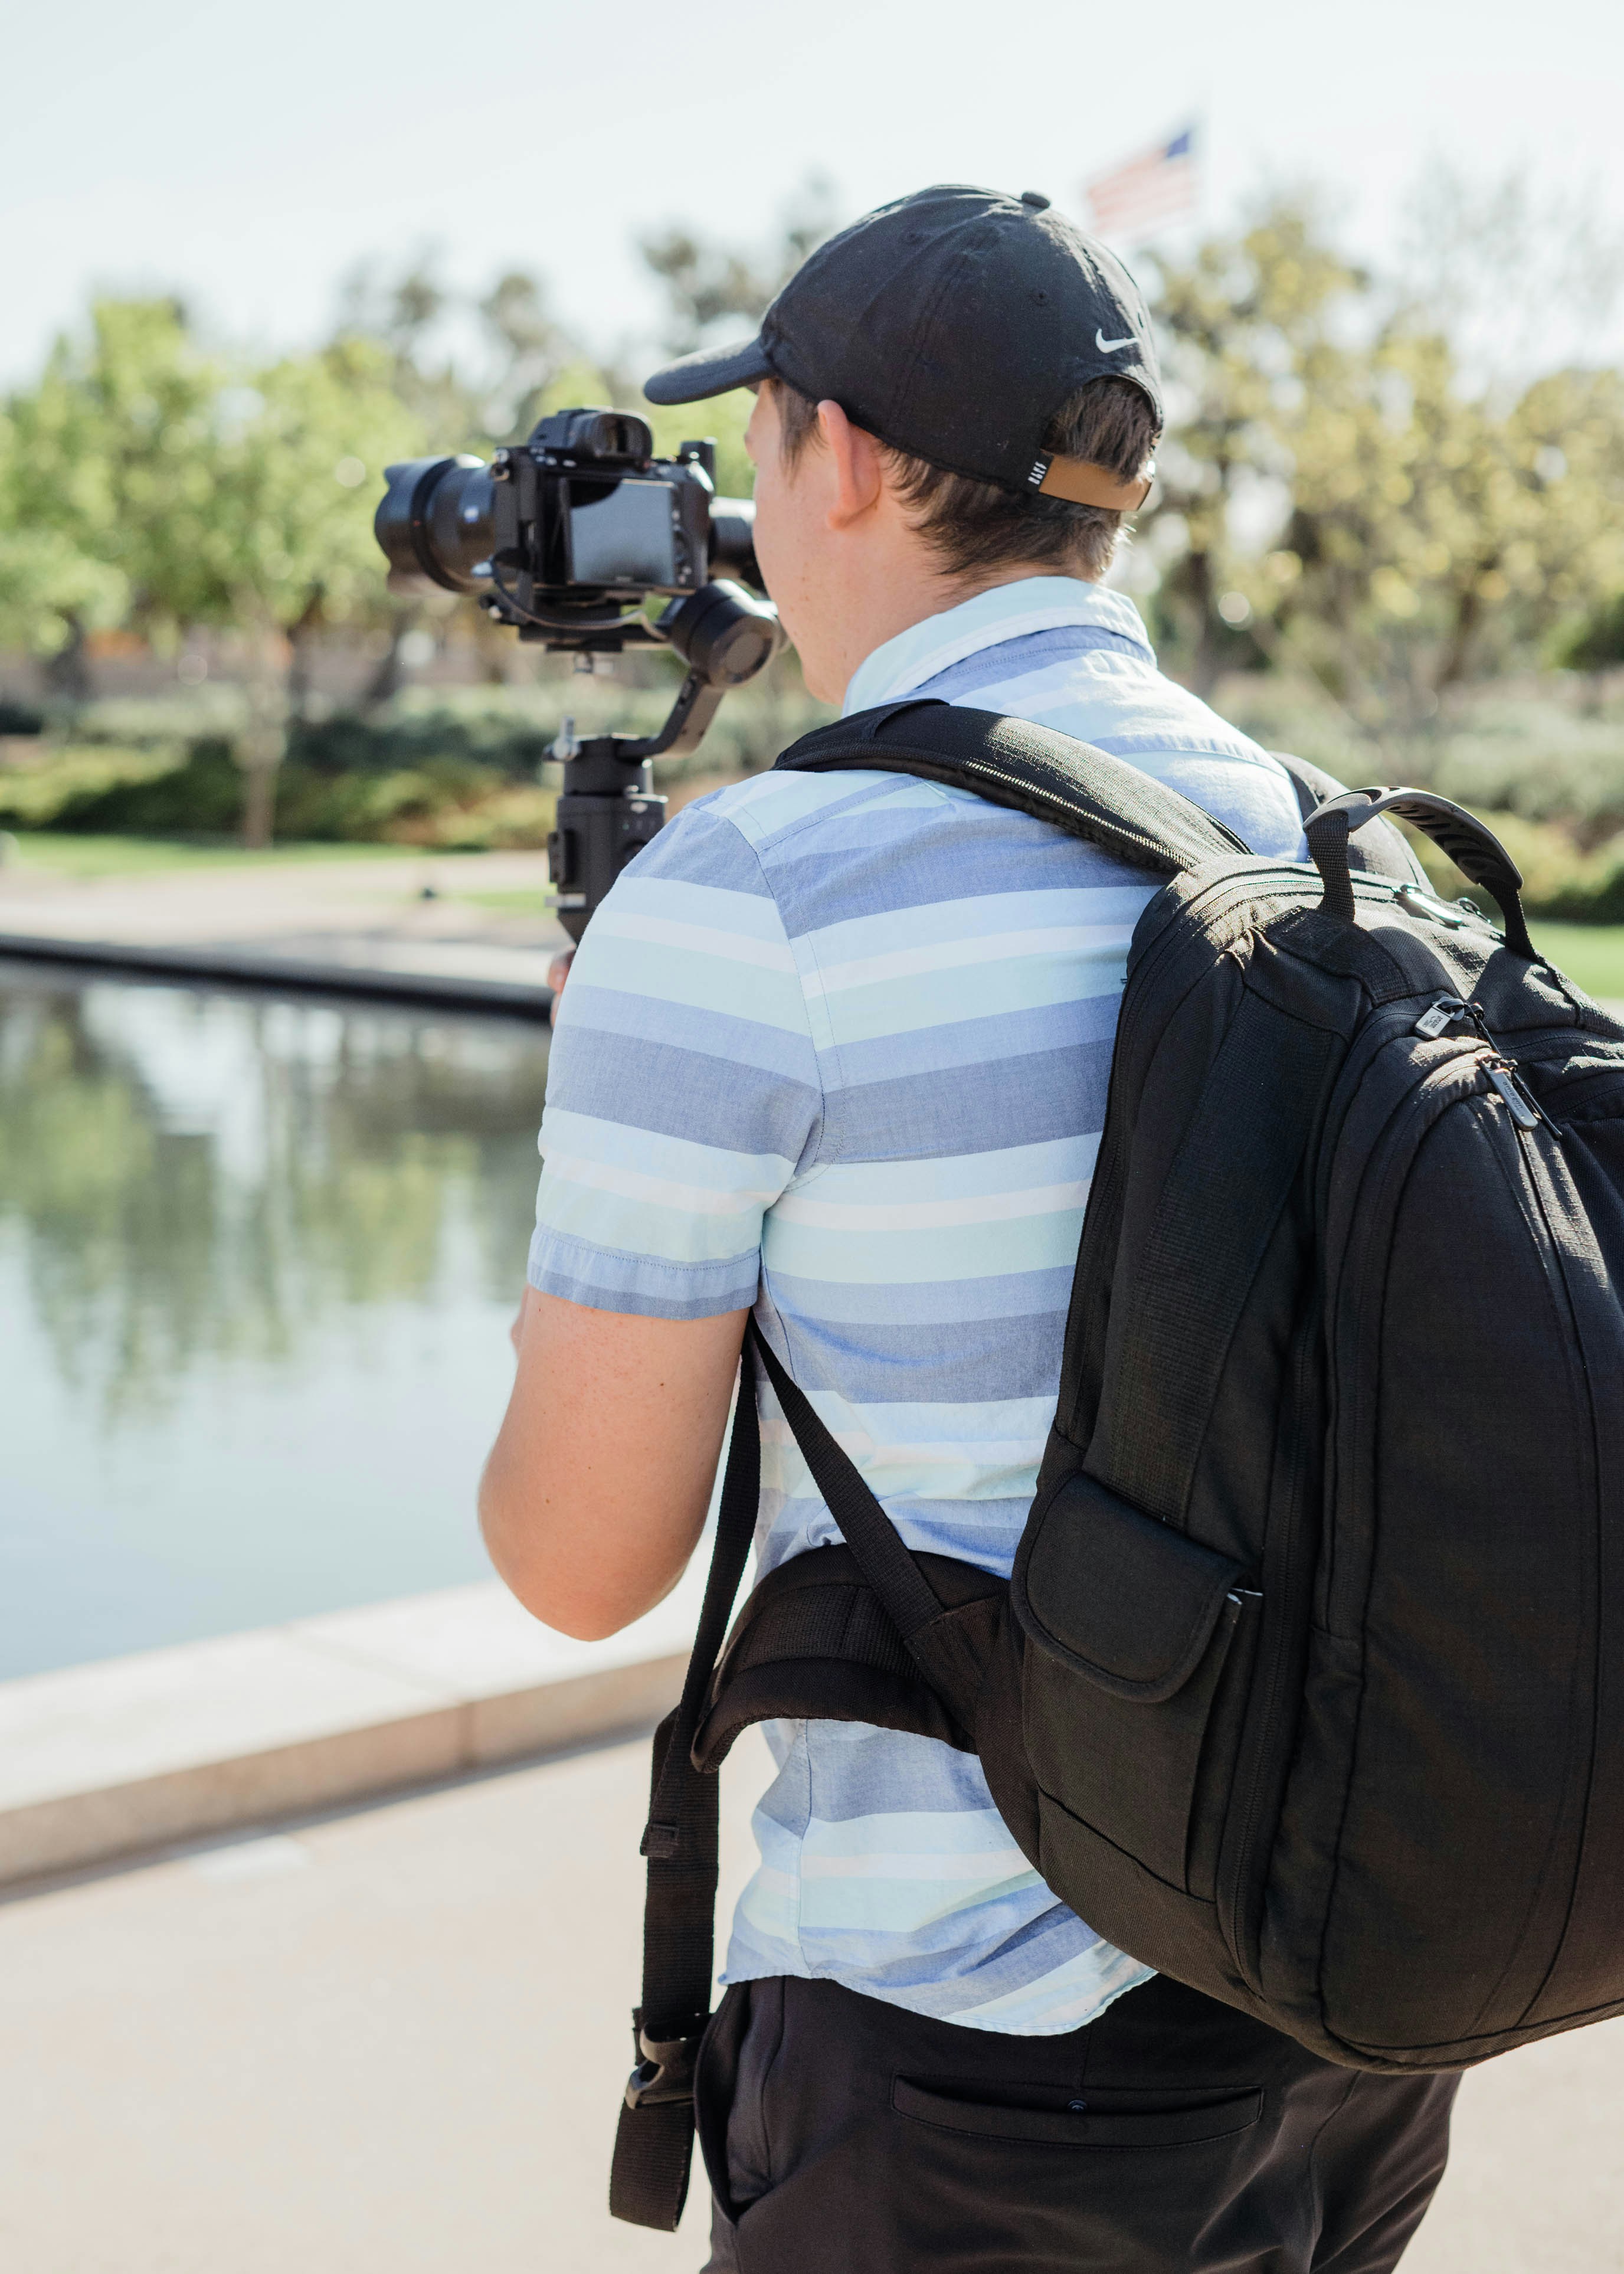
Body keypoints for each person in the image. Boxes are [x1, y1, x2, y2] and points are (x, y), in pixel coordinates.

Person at [480, 185, 1456, 2272]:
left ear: (832, 452)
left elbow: (577, 1565)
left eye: (751, 432)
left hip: (973, 2047)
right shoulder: (1340, 841)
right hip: (1353, 2006)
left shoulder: (755, 894)